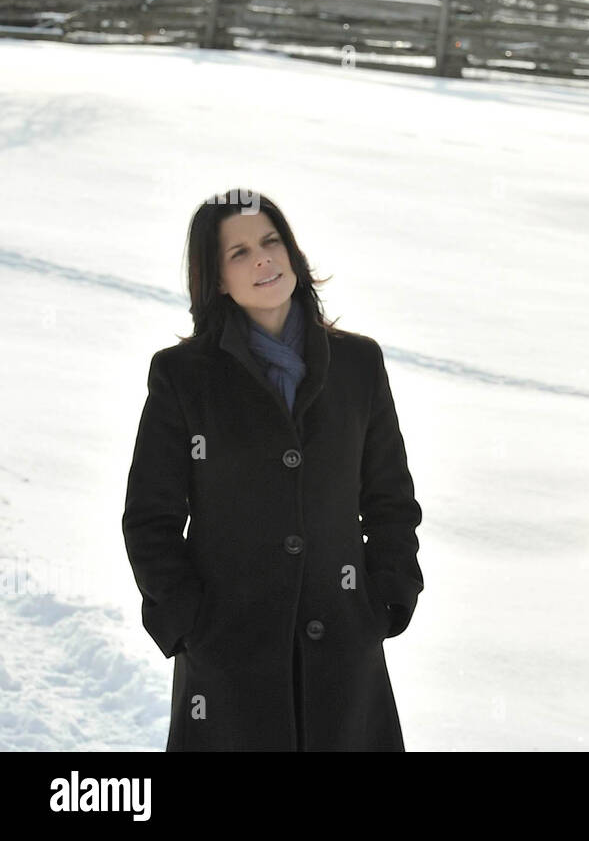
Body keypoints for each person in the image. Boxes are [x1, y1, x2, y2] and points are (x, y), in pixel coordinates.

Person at [121, 189, 424, 751]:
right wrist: (189, 622)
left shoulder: (359, 364)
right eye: (238, 253)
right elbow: (150, 518)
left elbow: (389, 499)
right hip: (227, 661)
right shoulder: (183, 376)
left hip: (344, 651)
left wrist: (388, 596)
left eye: (270, 241)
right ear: (215, 280)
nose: (262, 258)